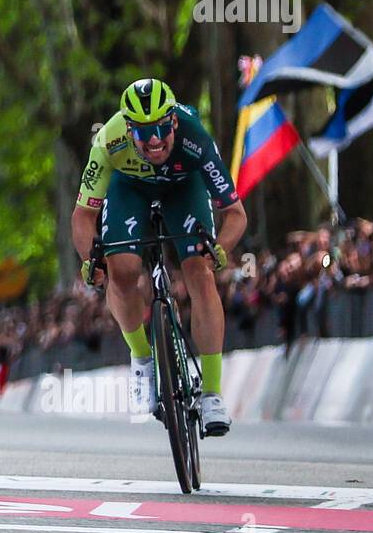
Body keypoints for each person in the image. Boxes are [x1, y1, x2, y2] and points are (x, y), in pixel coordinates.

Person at [70, 78, 247, 435]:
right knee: (121, 271)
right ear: (129, 127)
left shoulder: (195, 137)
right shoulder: (108, 140)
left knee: (199, 270)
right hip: (128, 189)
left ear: (175, 123)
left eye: (162, 129)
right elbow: (83, 216)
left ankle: (212, 394)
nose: (154, 140)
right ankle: (142, 356)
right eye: (144, 131)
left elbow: (236, 213)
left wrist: (221, 249)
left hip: (184, 188)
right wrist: (91, 260)